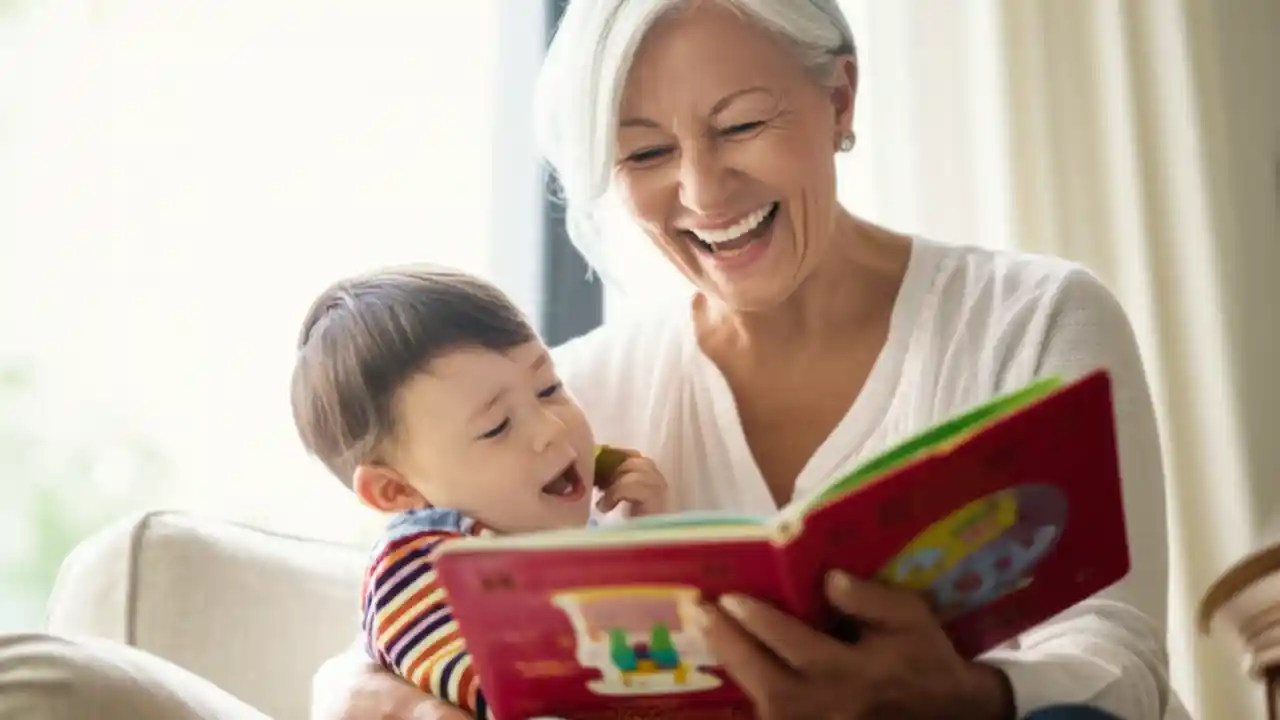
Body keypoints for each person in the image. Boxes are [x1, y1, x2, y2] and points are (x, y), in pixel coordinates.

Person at [314, 1, 1188, 718]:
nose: (702, 191)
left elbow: (1124, 667)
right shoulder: (569, 407)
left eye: (740, 125)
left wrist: (965, 698)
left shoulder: (1031, 320)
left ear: (841, 100)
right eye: (647, 152)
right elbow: (369, 656)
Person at [290, 266, 669, 719]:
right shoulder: (423, 569)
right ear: (396, 489)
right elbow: (515, 694)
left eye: (548, 389)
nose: (550, 428)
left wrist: (649, 542)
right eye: (497, 427)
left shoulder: (550, 531)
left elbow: (648, 658)